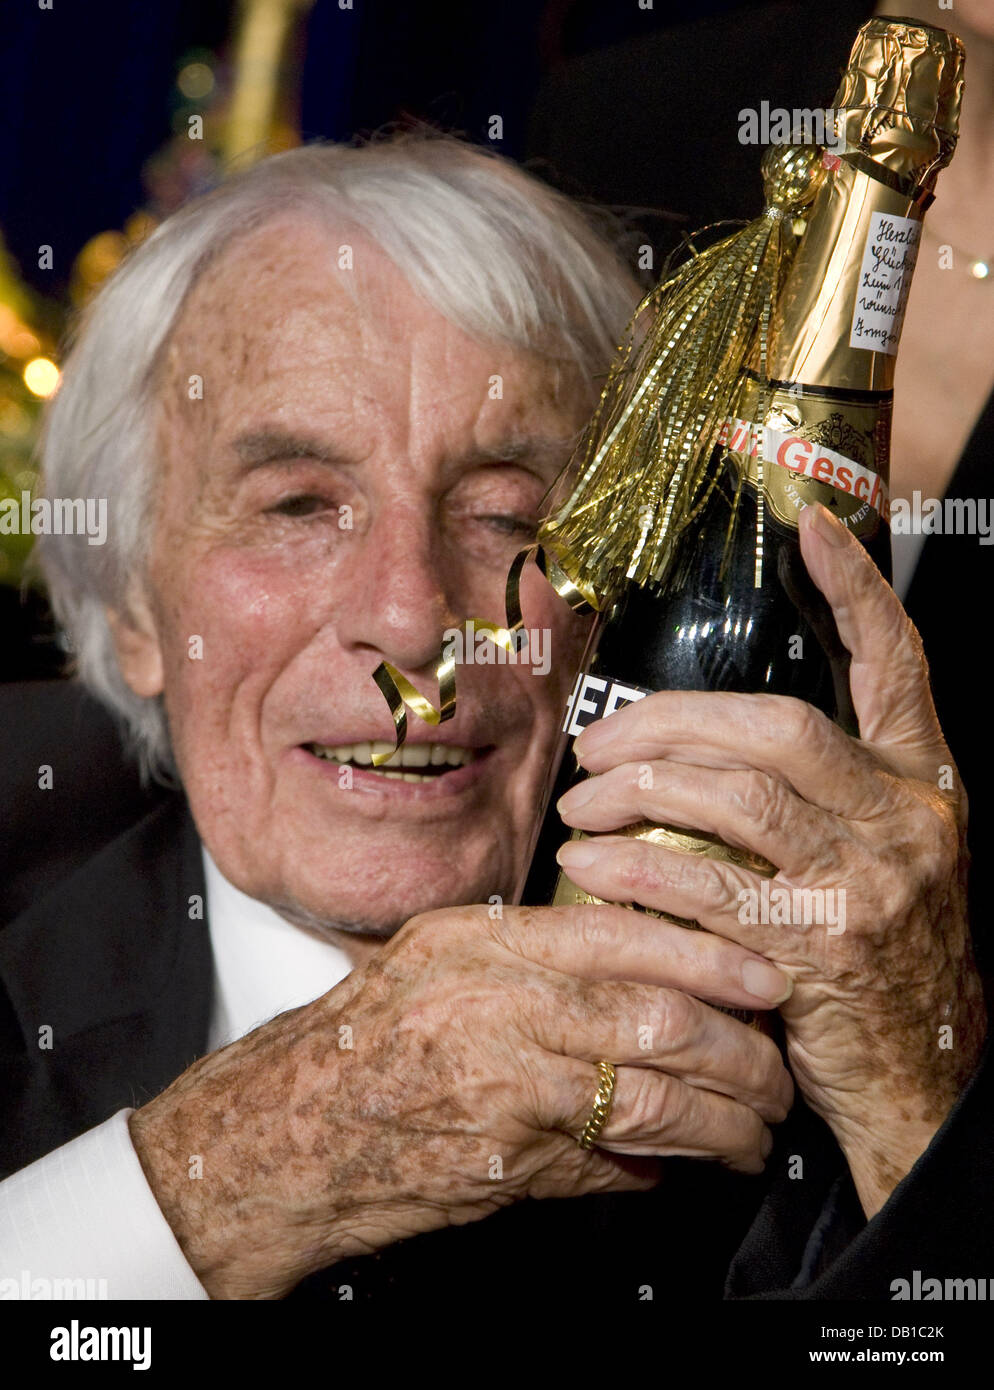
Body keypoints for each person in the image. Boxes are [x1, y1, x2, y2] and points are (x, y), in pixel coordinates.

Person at [0, 132, 987, 1303]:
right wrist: (232, 1177)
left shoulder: (843, 1013)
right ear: (133, 608)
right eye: (300, 504)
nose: (411, 619)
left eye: (509, 517)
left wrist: (915, 1106)